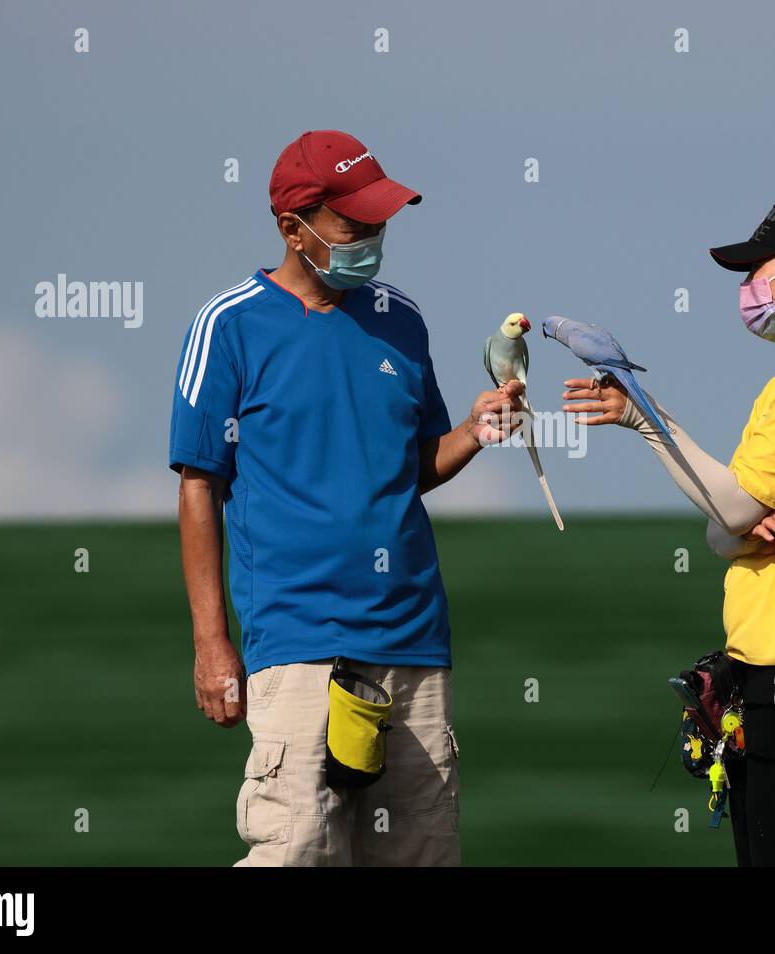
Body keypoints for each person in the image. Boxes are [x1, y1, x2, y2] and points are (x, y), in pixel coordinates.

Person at [169, 129, 522, 866]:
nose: (372, 237)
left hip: (414, 641)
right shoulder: (228, 324)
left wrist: (475, 431)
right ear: (292, 228)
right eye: (352, 224)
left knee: (422, 856)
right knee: (294, 850)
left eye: (379, 220)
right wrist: (211, 643)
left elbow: (416, 465)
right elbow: (199, 485)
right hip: (297, 641)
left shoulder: (402, 319)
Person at [564, 198, 775, 866]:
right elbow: (724, 528)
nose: (748, 287)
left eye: (759, 269)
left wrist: (647, 419)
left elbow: (729, 511)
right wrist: (737, 522)